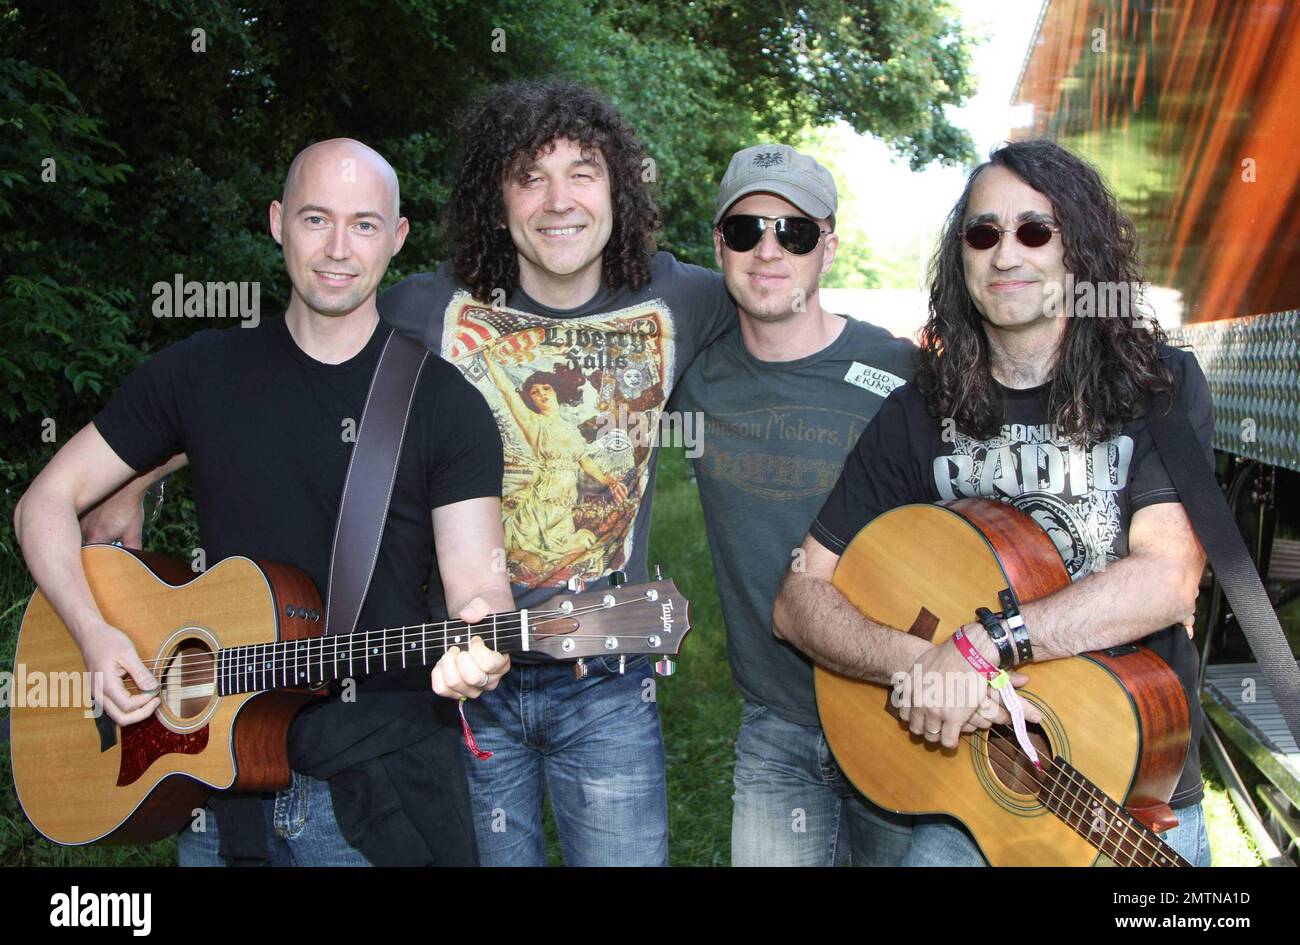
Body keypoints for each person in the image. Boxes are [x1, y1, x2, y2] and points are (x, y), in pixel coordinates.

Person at [13, 138, 513, 866]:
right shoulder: (197, 372)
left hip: (377, 792)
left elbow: (479, 587)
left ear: (397, 238)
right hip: (215, 794)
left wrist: (484, 642)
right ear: (278, 221)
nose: (339, 247)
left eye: (365, 224)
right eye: (316, 219)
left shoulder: (446, 407)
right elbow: (43, 503)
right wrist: (92, 633)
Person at [772, 139, 1214, 866]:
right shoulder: (921, 411)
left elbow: (1166, 579)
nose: (1006, 255)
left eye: (1035, 230)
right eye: (983, 234)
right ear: (963, 258)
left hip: (1132, 791)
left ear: (1083, 252)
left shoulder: (1156, 387)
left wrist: (978, 648)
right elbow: (798, 599)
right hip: (970, 806)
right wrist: (918, 665)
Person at [376, 80, 737, 866]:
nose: (557, 199)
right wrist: (136, 472)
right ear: (494, 198)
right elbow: (287, 367)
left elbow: (791, 316)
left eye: (583, 171)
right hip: (464, 681)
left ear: (618, 190)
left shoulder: (678, 299)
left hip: (606, 681)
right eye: (529, 175)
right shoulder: (428, 308)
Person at [668, 144, 916, 865]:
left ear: (827, 248)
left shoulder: (901, 369)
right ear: (720, 246)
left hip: (900, 711)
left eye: (795, 232)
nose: (768, 250)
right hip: (776, 724)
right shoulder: (694, 382)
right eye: (746, 231)